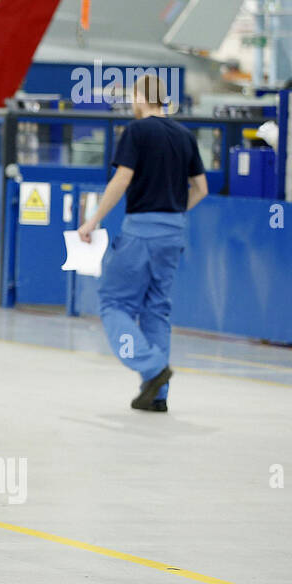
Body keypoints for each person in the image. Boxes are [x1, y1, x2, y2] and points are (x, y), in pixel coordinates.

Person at [77, 73, 207, 412]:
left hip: (141, 233)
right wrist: (175, 211)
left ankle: (151, 368)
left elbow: (122, 177)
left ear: (139, 98)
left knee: (113, 303)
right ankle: (157, 397)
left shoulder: (136, 132)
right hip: (173, 232)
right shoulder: (185, 136)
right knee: (157, 311)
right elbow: (201, 188)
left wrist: (94, 219)